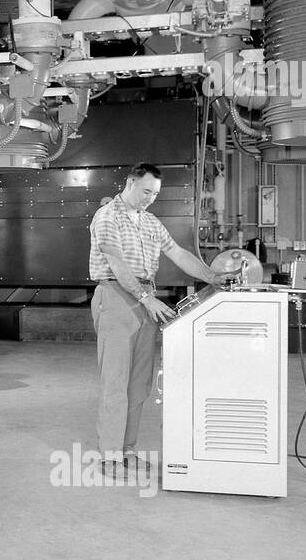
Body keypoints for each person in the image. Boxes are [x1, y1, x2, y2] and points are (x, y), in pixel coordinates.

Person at [89, 163, 224, 467]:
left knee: (138, 385)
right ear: (131, 182)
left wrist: (212, 277)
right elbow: (116, 263)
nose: (150, 197)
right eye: (146, 190)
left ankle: (126, 450)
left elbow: (177, 253)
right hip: (116, 297)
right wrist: (145, 298)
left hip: (145, 298)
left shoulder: (150, 222)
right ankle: (109, 456)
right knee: (116, 383)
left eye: (155, 194)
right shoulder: (108, 216)